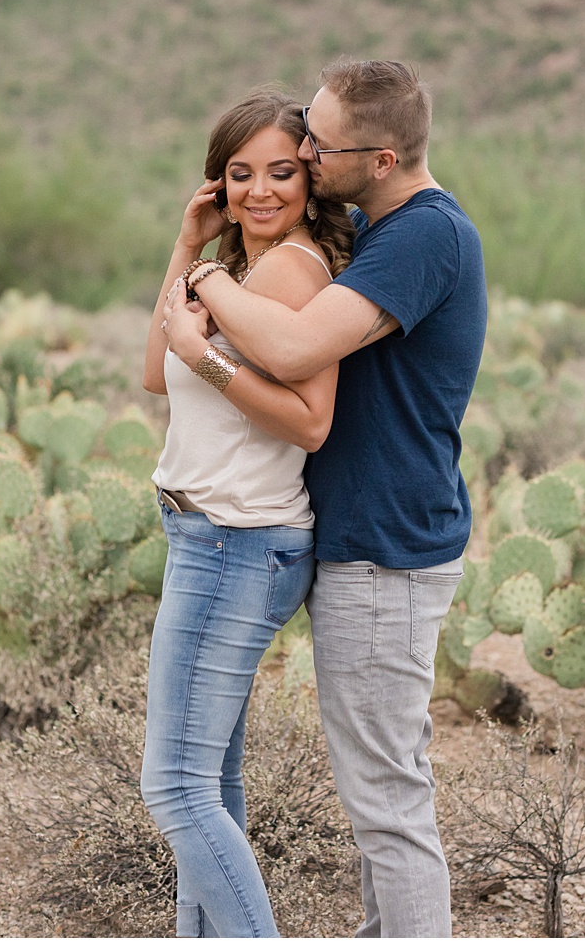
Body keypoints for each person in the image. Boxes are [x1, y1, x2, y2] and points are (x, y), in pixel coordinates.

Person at [189, 60, 488, 938]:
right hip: (367, 541)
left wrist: (203, 286)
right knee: (378, 793)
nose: (307, 152)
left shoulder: (427, 237)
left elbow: (292, 348)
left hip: (387, 550)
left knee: (389, 802)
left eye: (321, 143)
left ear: (384, 157)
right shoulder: (374, 224)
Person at [140, 87, 355, 938]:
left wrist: (206, 350)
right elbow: (158, 371)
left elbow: (309, 418)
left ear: (309, 181)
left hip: (235, 538)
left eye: (279, 172)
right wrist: (189, 245)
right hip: (212, 533)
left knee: (176, 787)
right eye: (239, 173)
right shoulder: (232, 271)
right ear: (216, 182)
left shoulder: (293, 270)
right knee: (209, 782)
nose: (260, 190)